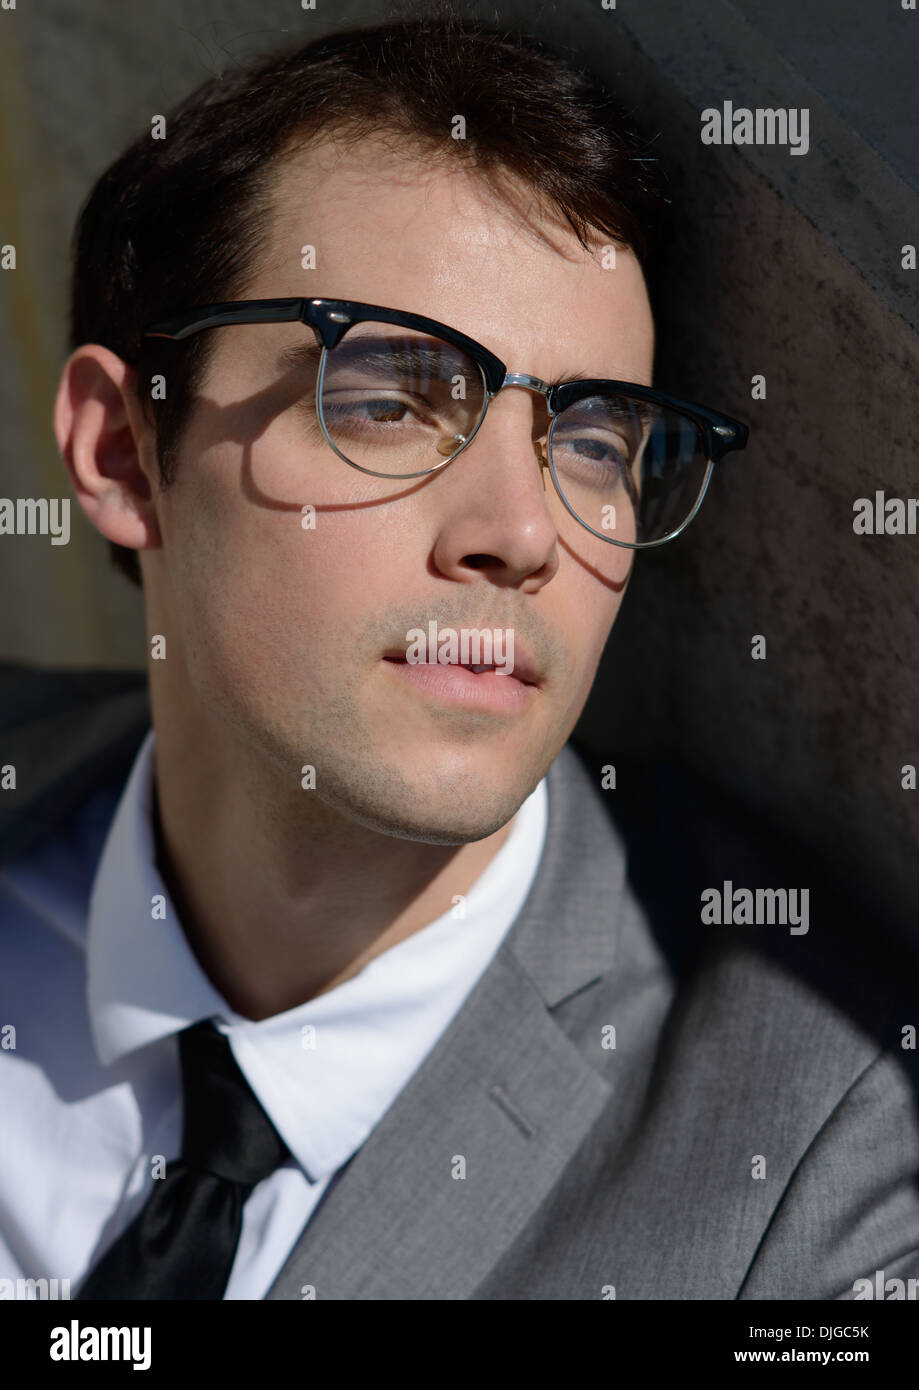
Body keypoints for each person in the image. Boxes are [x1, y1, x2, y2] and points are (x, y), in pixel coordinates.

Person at [1, 10, 917, 1303]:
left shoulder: (819, 1185)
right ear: (118, 454)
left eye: (595, 437)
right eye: (385, 395)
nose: (523, 532)